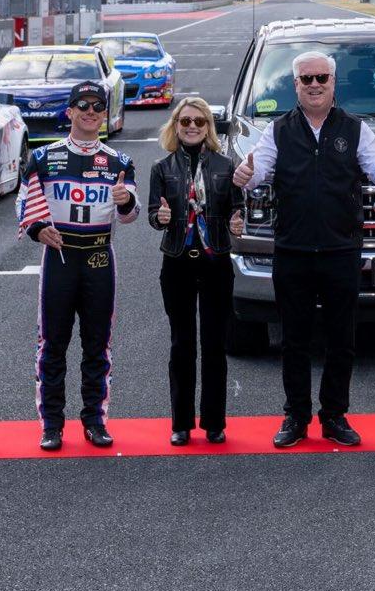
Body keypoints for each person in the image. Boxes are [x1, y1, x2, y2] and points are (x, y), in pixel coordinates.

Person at [232, 48, 375, 449]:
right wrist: (246, 175)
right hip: (292, 250)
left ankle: (335, 415)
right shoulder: (277, 130)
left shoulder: (356, 129)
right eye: (306, 79)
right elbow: (256, 175)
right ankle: (295, 415)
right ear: (295, 85)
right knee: (294, 339)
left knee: (342, 338)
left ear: (332, 82)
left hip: (341, 250)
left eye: (321, 78)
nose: (314, 85)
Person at [19, 81, 137, 451]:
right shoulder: (43, 157)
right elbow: (24, 207)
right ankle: (52, 424)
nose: (90, 112)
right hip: (60, 257)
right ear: (69, 111)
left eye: (97, 106)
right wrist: (38, 229)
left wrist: (123, 201)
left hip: (100, 257)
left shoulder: (120, 162)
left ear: (105, 114)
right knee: (52, 343)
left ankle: (94, 420)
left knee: (97, 345)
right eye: (82, 105)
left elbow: (132, 215)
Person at [148, 95, 244, 446]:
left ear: (208, 127)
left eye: (198, 121)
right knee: (181, 344)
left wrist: (238, 221)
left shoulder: (225, 165)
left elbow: (239, 208)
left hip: (216, 262)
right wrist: (159, 219)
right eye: (185, 121)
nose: (191, 127)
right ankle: (181, 423)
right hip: (176, 264)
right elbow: (151, 216)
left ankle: (215, 422)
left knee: (215, 344)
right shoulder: (161, 168)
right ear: (175, 126)